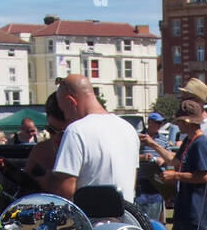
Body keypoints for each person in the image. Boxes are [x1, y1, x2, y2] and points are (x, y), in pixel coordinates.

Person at [48, 74, 139, 203]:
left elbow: (66, 190)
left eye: (64, 111)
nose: (66, 117)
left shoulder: (76, 130)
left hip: (93, 219)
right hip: (128, 217)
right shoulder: (129, 129)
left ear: (71, 102)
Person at [160, 99, 207, 230]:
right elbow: (175, 161)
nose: (177, 125)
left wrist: (175, 176)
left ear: (188, 121)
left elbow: (204, 176)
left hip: (195, 211)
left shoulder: (201, 143)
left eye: (180, 121)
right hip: (184, 208)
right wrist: (152, 144)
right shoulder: (189, 141)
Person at [176, 78, 207, 163]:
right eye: (182, 99)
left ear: (198, 101)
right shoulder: (185, 123)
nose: (183, 102)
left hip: (205, 175)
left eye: (185, 98)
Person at [23, 93, 65, 182]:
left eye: (64, 134)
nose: (57, 138)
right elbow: (23, 184)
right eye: (51, 130)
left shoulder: (86, 150)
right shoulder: (40, 150)